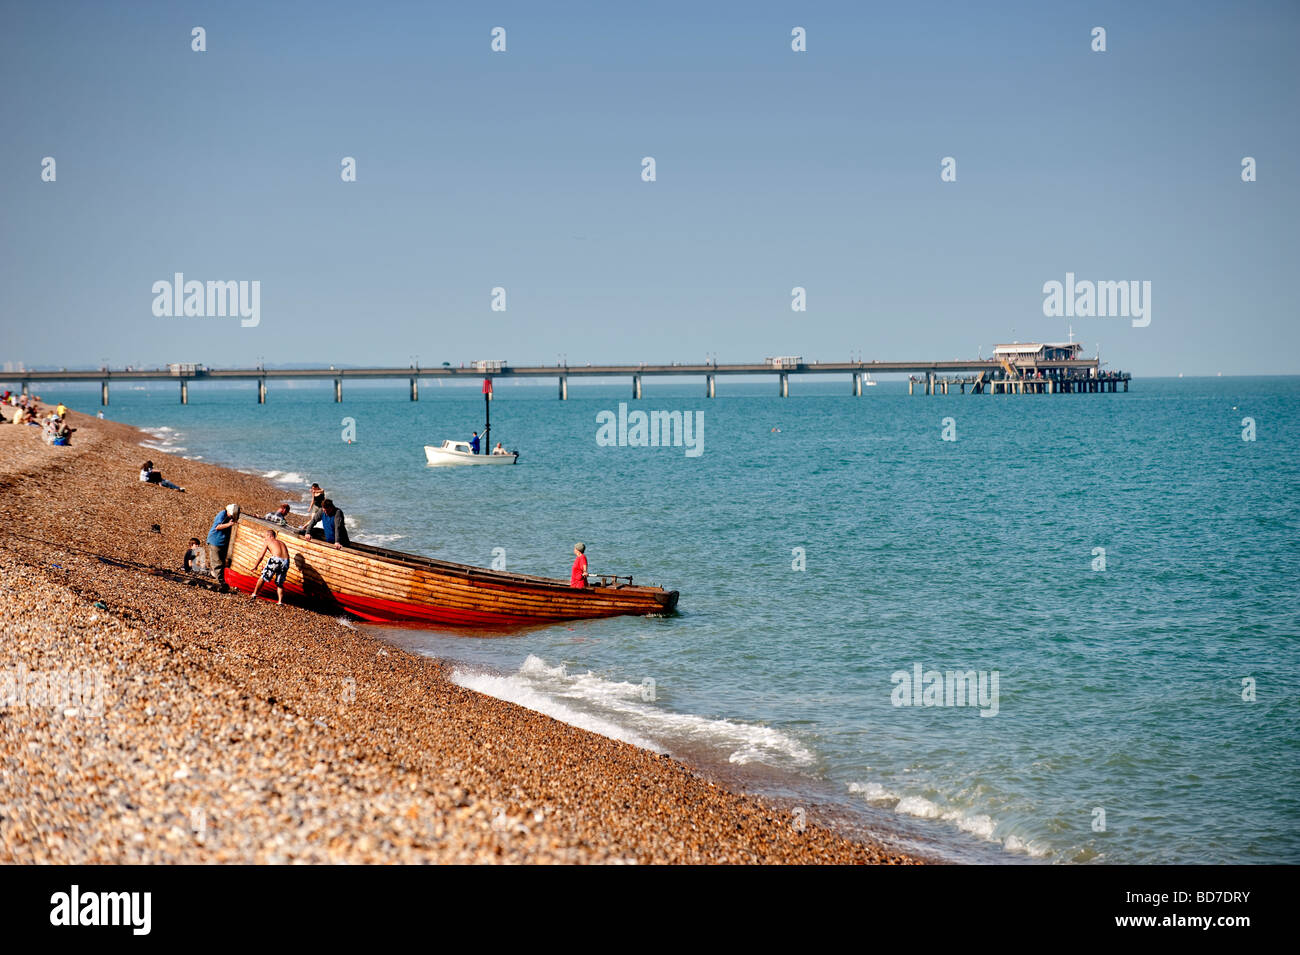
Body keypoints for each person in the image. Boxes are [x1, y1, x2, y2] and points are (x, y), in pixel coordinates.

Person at [248, 528, 291, 604]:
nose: (265, 538)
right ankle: (280, 601)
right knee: (280, 583)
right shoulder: (282, 543)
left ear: (270, 535)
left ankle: (254, 594)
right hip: (286, 561)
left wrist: (256, 565)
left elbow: (261, 555)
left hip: (276, 560)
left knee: (263, 577)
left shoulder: (268, 541)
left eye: (265, 536)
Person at [206, 504, 240, 589]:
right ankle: (221, 581)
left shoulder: (229, 516)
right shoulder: (222, 514)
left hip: (222, 542)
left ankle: (216, 575)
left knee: (221, 561)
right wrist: (229, 524)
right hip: (215, 541)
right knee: (217, 562)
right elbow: (217, 527)